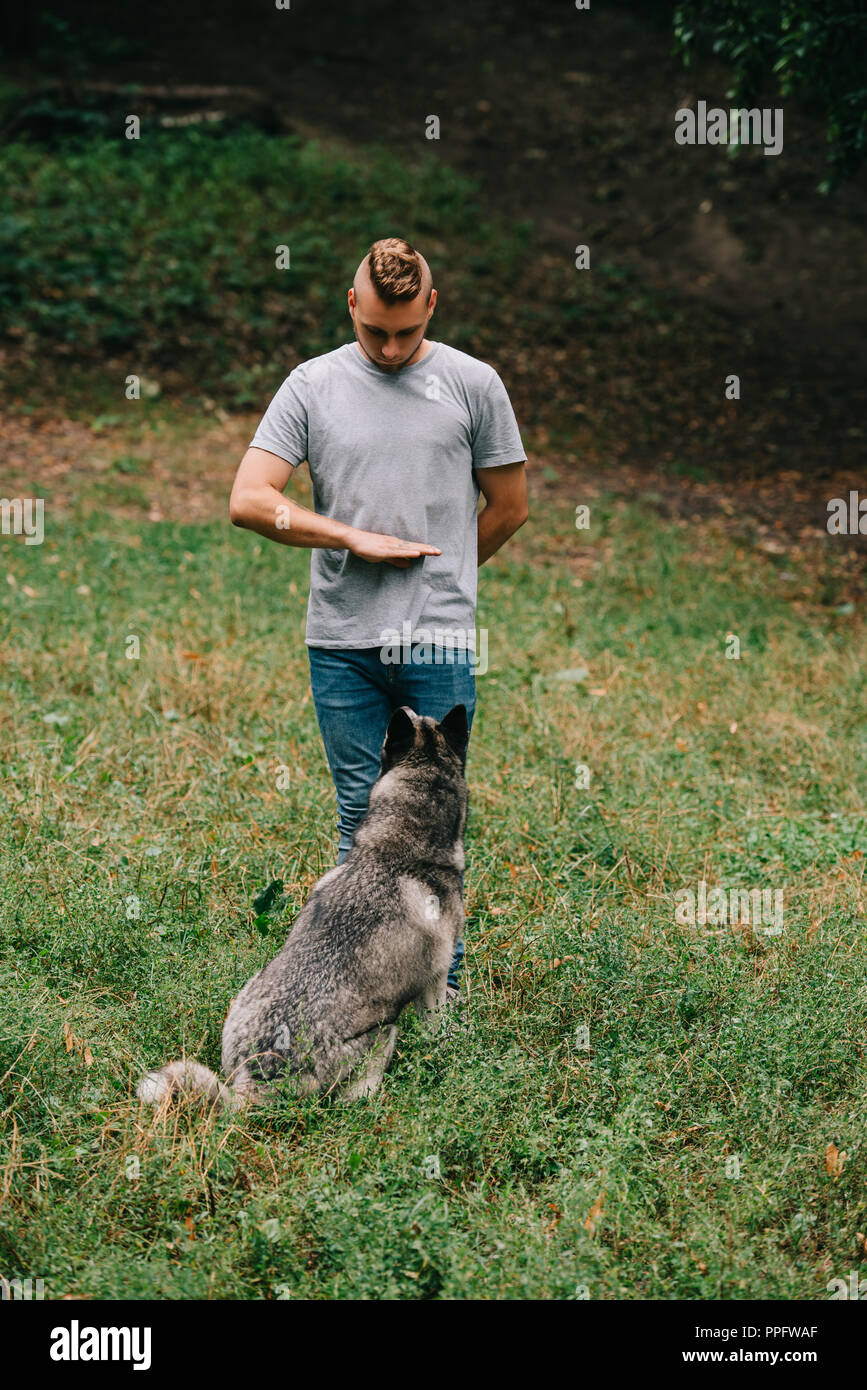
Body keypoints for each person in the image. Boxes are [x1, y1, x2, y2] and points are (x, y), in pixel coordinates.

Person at [229, 237, 528, 1002]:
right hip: (341, 640)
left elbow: (509, 507)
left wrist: (444, 582)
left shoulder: (473, 383)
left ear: (430, 305)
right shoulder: (311, 384)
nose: (391, 349)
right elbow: (250, 499)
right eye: (375, 332)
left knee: (432, 828)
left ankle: (439, 1004)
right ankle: (350, 994)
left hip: (437, 639)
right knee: (358, 823)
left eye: (407, 331)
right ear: (352, 306)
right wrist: (347, 537)